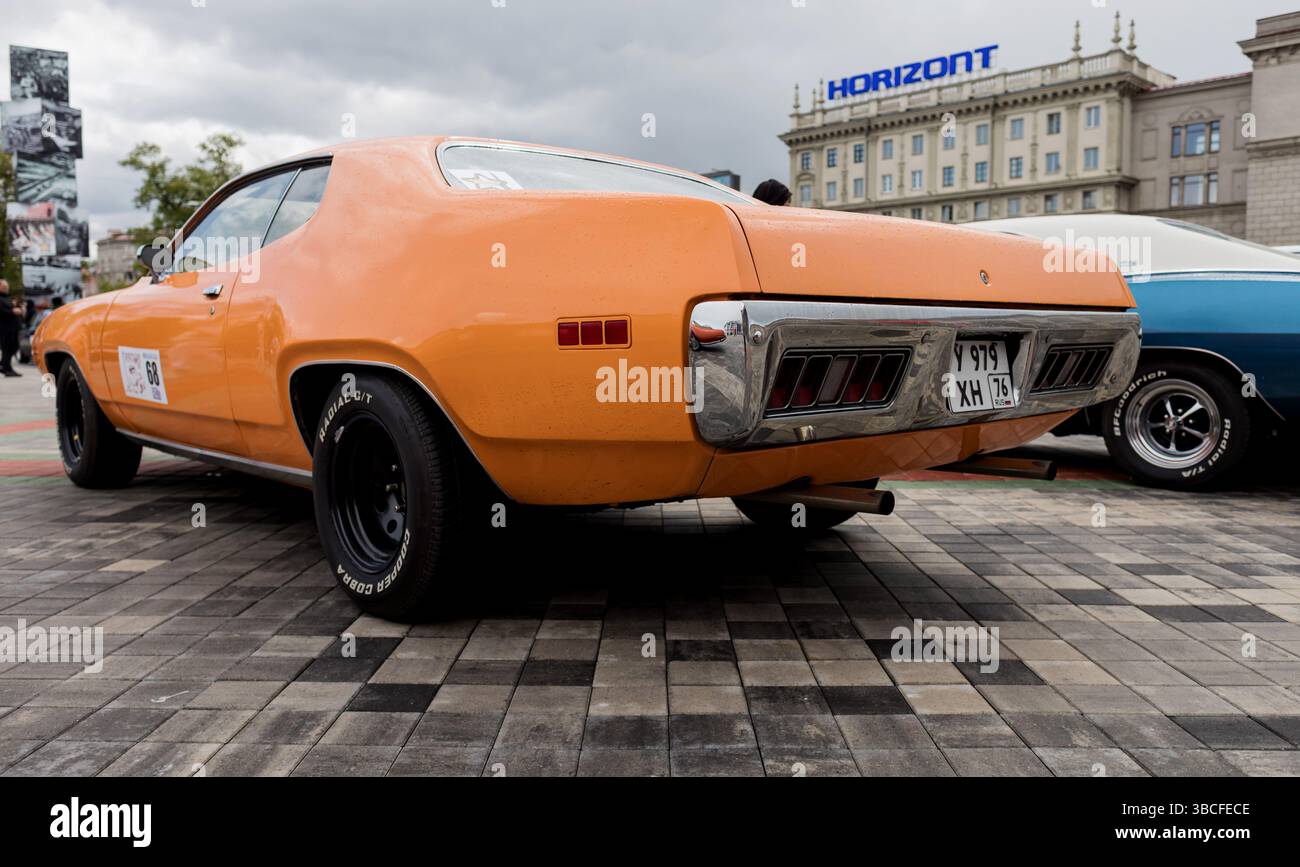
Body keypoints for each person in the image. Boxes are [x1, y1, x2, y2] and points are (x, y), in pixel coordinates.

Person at [0, 280, 22, 377]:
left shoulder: (7, 297)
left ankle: (3, 365)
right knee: (7, 348)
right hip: (5, 328)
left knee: (13, 347)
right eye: (4, 287)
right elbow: (3, 311)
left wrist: (17, 307)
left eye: (7, 286)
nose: (7, 288)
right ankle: (7, 368)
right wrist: (13, 311)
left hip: (12, 328)